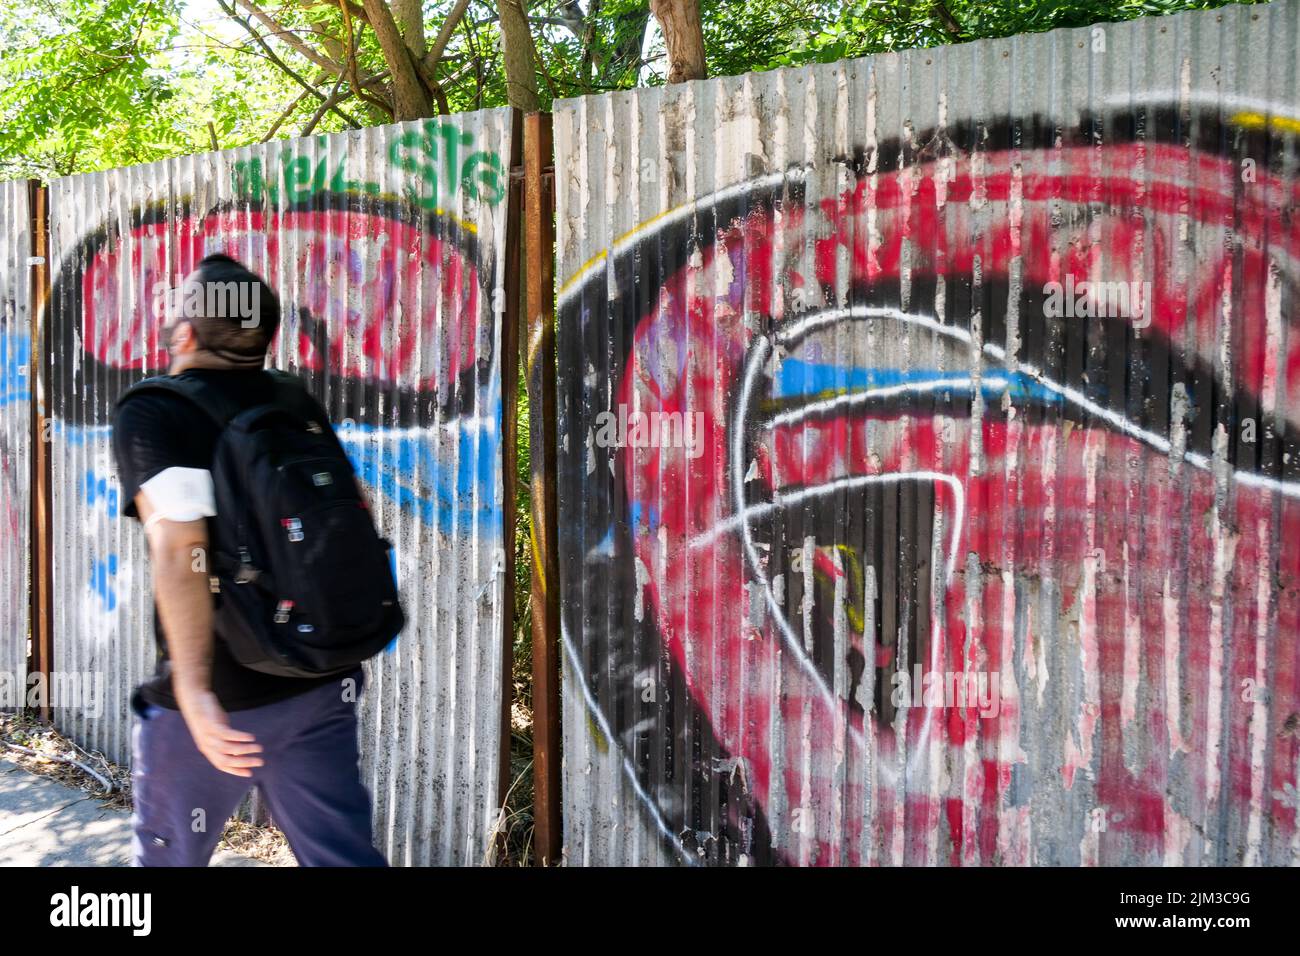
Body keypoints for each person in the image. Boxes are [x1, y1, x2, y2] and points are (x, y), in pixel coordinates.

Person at [111, 252, 387, 867]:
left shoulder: (156, 410)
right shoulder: (292, 399)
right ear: (264, 337)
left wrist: (193, 689)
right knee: (341, 856)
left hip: (221, 706)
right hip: (318, 682)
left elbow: (183, 549)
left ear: (185, 333)